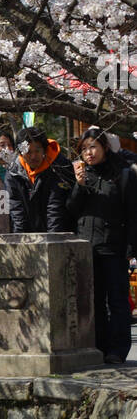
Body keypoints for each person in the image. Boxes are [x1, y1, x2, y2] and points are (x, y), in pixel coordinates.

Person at [66, 126, 137, 366]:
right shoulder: (80, 175)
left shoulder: (122, 174)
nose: (89, 152)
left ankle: (117, 349)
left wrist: (131, 249)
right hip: (87, 247)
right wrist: (79, 185)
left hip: (113, 246)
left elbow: (132, 213)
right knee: (93, 300)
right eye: (84, 149)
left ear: (105, 147)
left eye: (93, 147)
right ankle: (99, 346)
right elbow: (72, 211)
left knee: (116, 300)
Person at [6, 128, 76, 233]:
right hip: (30, 233)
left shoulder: (59, 166)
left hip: (60, 231)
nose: (33, 156)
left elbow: (55, 207)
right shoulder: (14, 172)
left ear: (45, 149)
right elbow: (17, 210)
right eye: (28, 152)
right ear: (20, 153)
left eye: (37, 151)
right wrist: (20, 239)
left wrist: (53, 240)